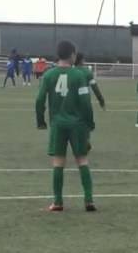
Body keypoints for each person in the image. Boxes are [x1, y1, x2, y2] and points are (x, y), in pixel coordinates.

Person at [35, 40, 97, 213]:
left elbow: (39, 100)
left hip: (58, 125)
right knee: (82, 160)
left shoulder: (48, 75)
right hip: (78, 125)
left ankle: (58, 202)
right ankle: (89, 200)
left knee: (58, 162)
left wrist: (41, 121)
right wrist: (90, 123)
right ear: (72, 55)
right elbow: (86, 103)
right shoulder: (79, 75)